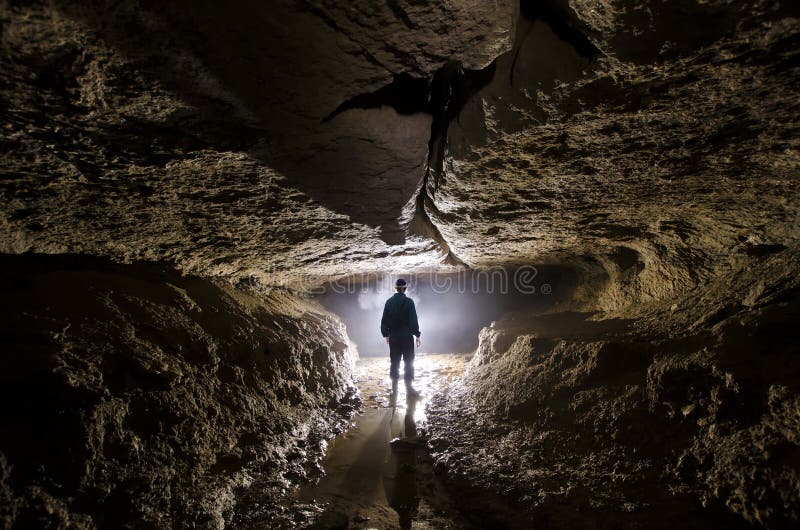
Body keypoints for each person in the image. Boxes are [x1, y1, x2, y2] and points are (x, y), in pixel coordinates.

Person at [380, 278, 421, 384]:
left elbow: (384, 320)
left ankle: (394, 383)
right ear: (405, 288)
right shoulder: (409, 302)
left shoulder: (389, 302)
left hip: (394, 336)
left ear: (396, 288)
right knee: (408, 360)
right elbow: (413, 319)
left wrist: (386, 334)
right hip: (407, 337)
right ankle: (409, 384)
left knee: (395, 360)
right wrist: (417, 335)